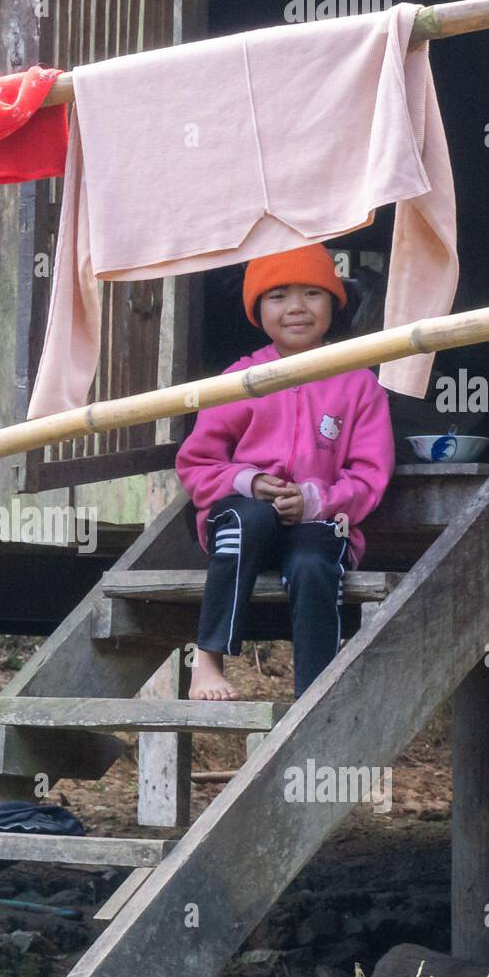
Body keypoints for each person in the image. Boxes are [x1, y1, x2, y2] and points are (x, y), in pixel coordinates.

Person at [175, 244, 395, 702]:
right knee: (247, 519)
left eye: (313, 293)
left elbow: (369, 474)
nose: (296, 308)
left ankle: (314, 693)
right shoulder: (239, 379)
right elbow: (197, 463)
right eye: (277, 296)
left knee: (315, 564)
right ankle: (208, 660)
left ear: (334, 302)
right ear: (257, 310)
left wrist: (316, 500)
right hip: (245, 526)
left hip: (315, 525)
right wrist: (247, 482)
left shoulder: (357, 383)